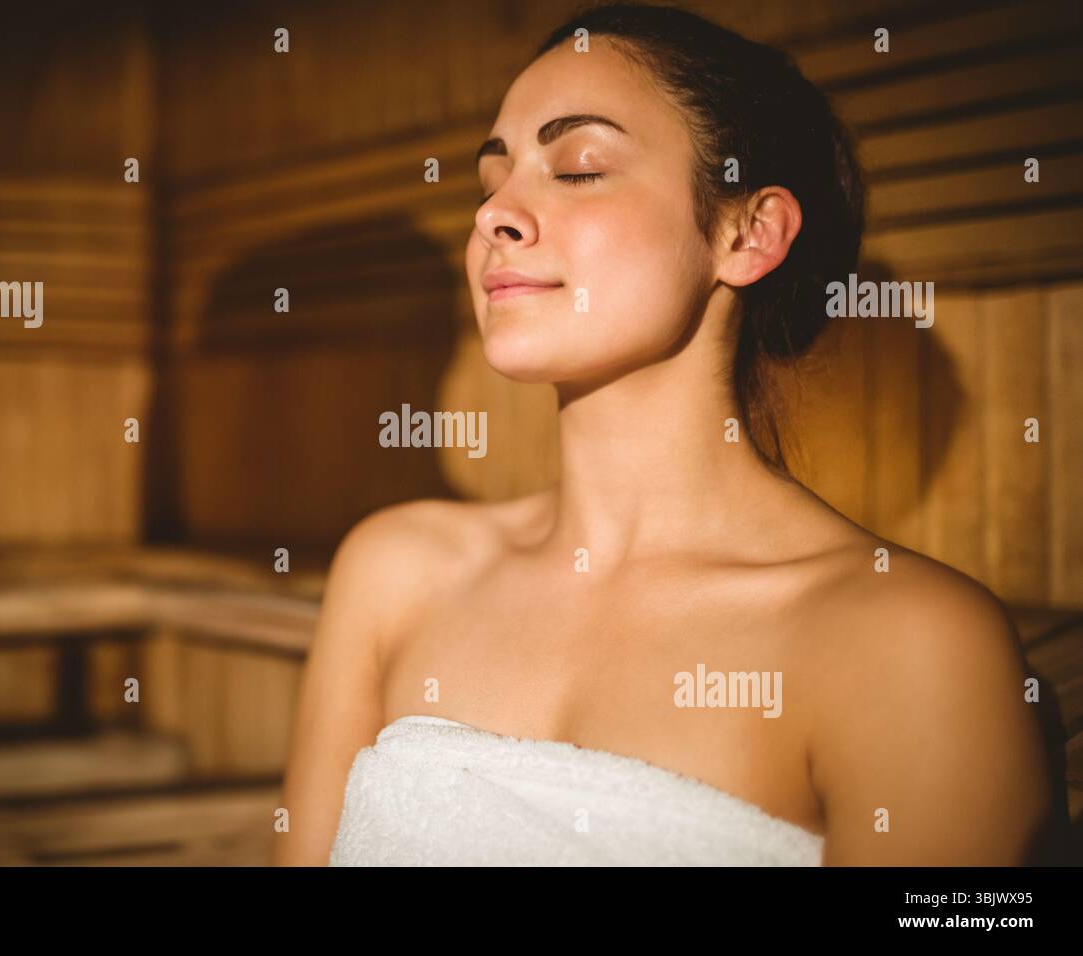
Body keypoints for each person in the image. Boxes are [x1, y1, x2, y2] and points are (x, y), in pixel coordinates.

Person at [273, 2, 1055, 866]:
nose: (494, 216)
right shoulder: (397, 572)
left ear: (746, 233)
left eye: (577, 168)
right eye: (490, 182)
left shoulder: (907, 642)